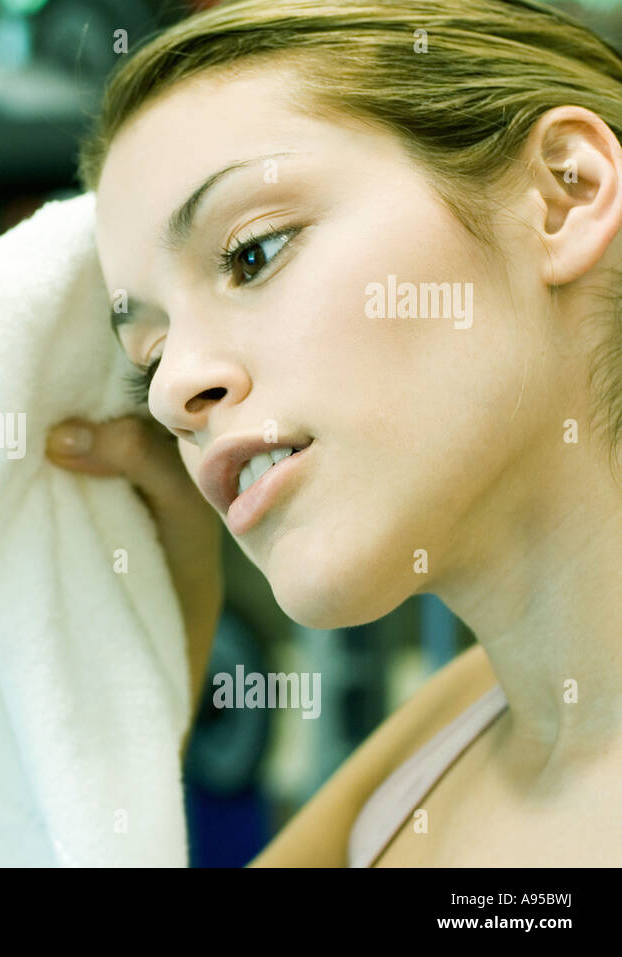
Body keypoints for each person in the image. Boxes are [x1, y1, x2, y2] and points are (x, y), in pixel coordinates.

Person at [47, 0, 622, 865]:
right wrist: (139, 668)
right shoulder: (451, 733)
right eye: (149, 353)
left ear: (563, 193)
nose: (169, 393)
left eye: (253, 252)